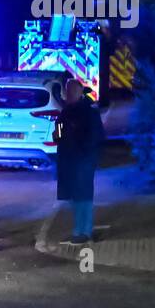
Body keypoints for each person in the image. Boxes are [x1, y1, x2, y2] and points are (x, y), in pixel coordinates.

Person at [54, 78, 104, 244]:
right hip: (70, 161)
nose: (68, 95)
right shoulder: (66, 113)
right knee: (75, 196)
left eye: (71, 92)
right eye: (67, 92)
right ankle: (79, 230)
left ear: (78, 93)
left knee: (83, 196)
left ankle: (84, 231)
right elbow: (58, 135)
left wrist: (86, 154)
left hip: (82, 161)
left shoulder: (89, 112)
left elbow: (96, 137)